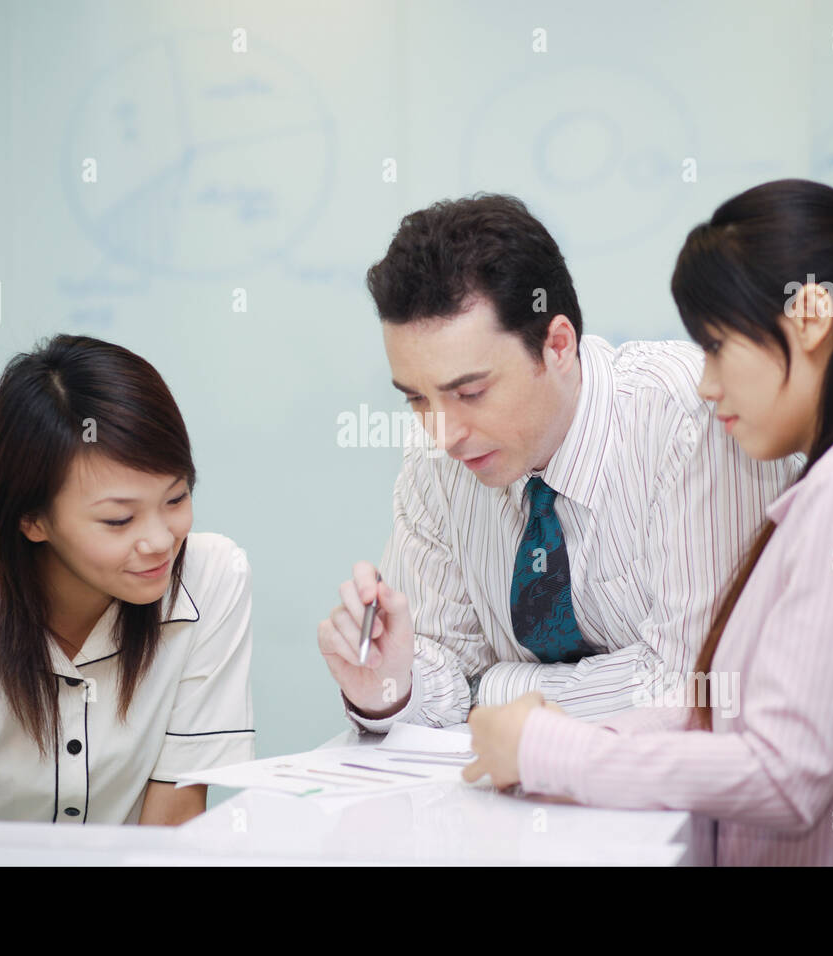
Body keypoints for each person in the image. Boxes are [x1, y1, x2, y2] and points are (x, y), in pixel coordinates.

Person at [463, 179, 833, 866]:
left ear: (810, 321)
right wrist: (568, 736)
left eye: (715, 347)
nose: (707, 386)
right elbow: (737, 718)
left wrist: (546, 749)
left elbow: (783, 773)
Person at [318, 194, 797, 732]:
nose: (444, 433)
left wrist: (490, 687)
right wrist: (389, 688)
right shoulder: (434, 458)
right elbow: (440, 671)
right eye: (417, 399)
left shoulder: (692, 418)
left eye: (471, 392)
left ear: (558, 344)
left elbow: (695, 685)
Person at [0, 334, 254, 825]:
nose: (160, 541)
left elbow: (171, 828)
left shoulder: (211, 576)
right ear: (32, 519)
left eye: (176, 499)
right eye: (119, 520)